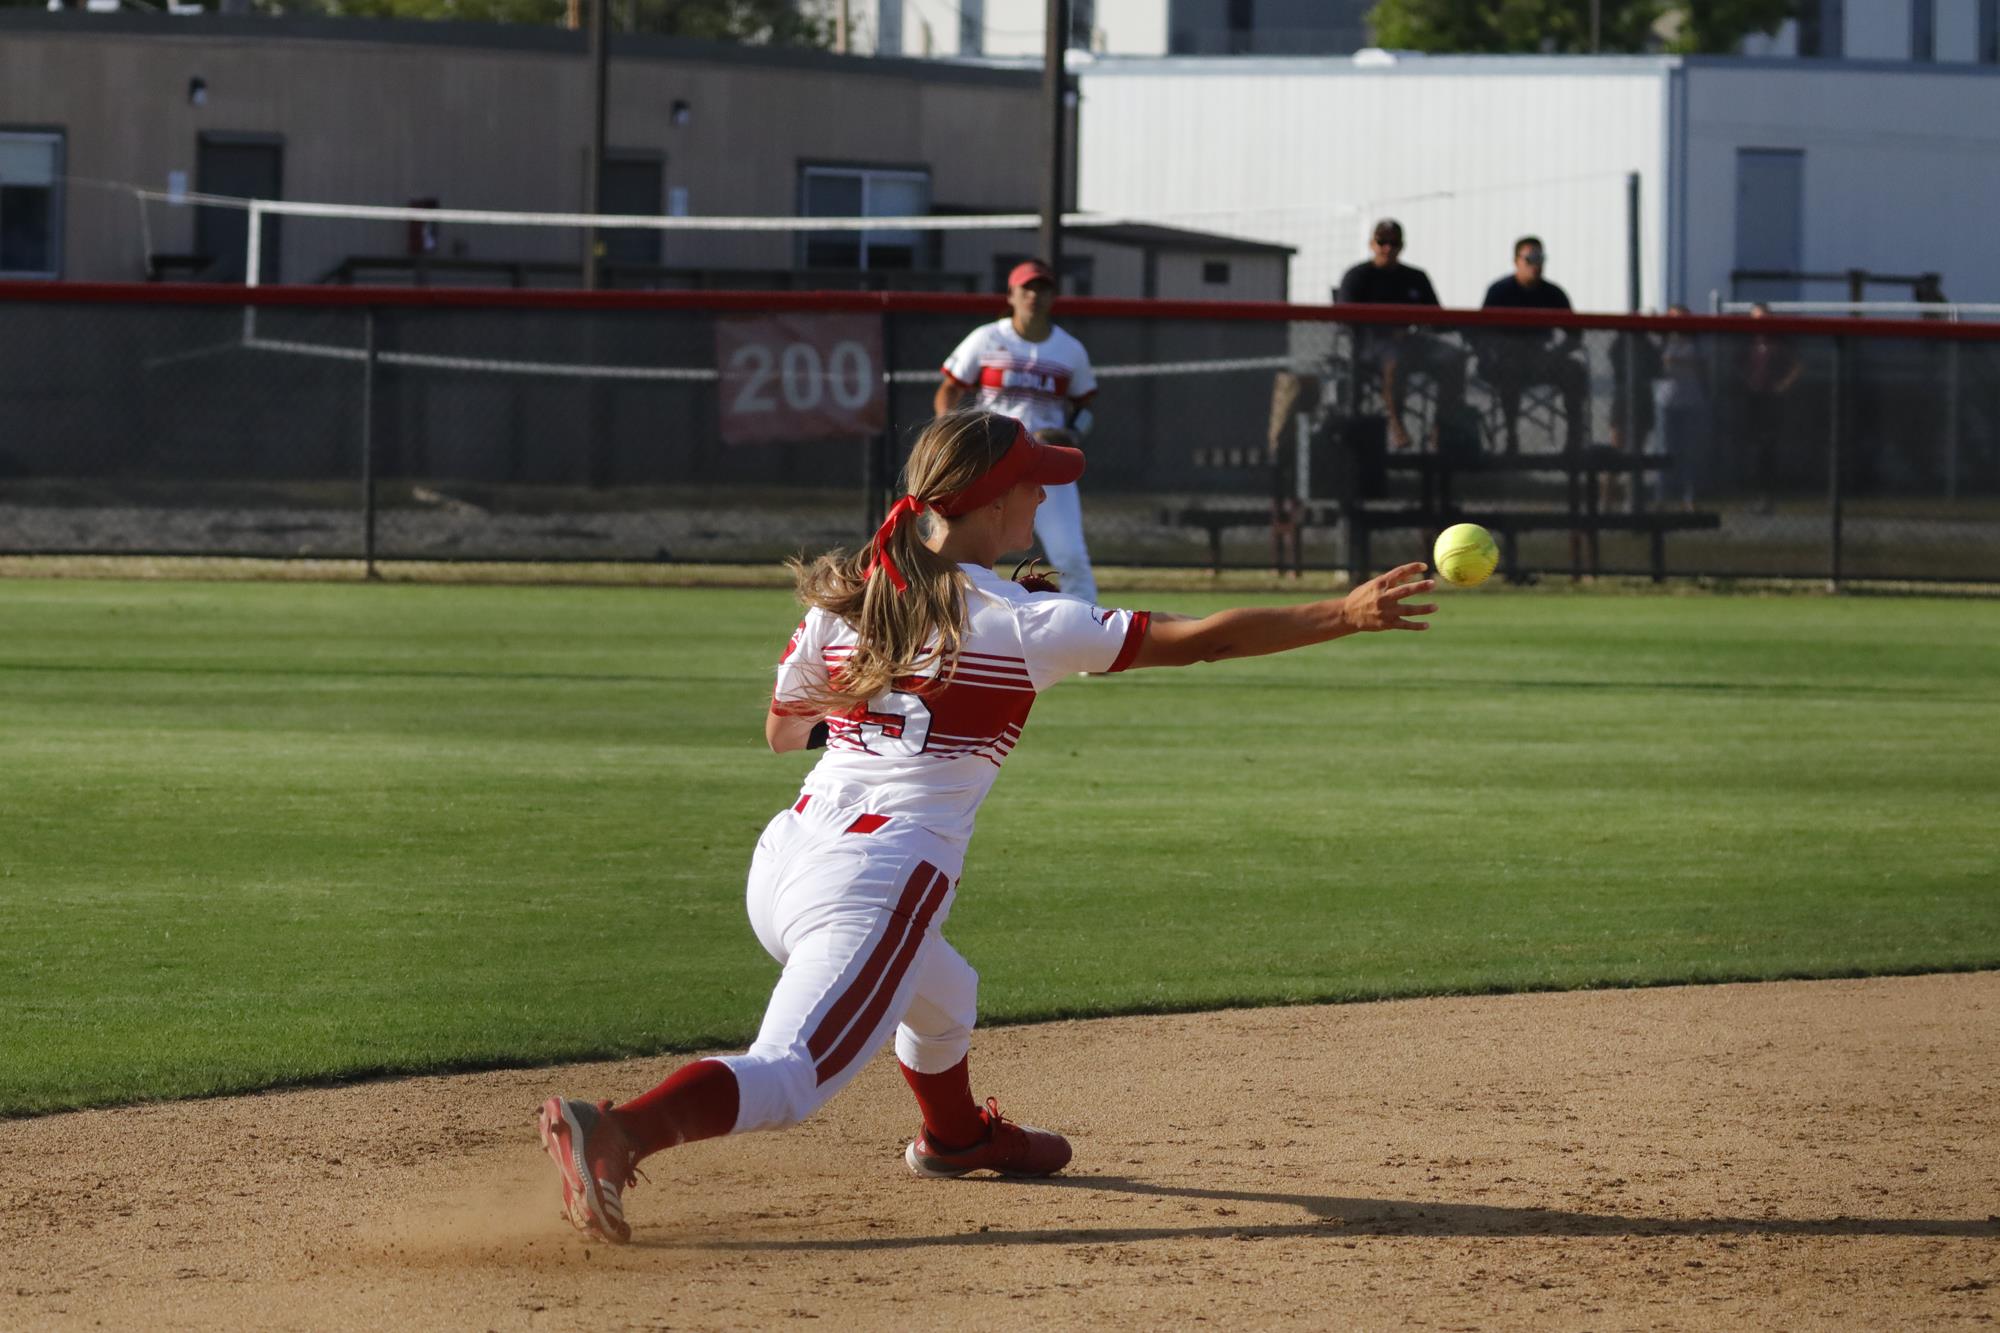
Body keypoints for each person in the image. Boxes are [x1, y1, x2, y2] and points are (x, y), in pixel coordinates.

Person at [536, 409, 1438, 1246]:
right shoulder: (1023, 620)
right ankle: (620, 1131)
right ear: (993, 500)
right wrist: (1346, 612)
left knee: (947, 990)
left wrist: (885, 716)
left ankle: (957, 1137)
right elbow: (1201, 638)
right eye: (1034, 482)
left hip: (786, 859)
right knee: (792, 1074)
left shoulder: (848, 600)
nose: (1045, 495)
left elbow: (782, 732)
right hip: (875, 879)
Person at [934, 260, 1101, 603]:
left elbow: (1086, 408)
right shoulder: (987, 338)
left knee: (1070, 556)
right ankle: (941, 614)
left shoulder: (1069, 350)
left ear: (1054, 296)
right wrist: (951, 437)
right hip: (992, 459)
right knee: (958, 547)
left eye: (1042, 288)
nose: (1034, 295)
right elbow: (949, 390)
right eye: (1026, 288)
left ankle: (1088, 633)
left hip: (1045, 462)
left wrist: (1071, 435)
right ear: (1010, 295)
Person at [1335, 219, 1469, 453]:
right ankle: (1396, 424)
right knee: (1395, 360)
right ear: (1372, 244)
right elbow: (1345, 318)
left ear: (1402, 246)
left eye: (1394, 243)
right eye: (1382, 242)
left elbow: (1436, 317)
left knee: (1454, 357)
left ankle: (1442, 427)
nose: (1388, 248)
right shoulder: (1357, 276)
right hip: (1372, 345)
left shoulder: (1416, 277)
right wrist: (1385, 328)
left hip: (1414, 341)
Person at [1478, 236, 1589, 453]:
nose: (1535, 265)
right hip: (1505, 360)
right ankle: (1511, 436)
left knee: (1574, 370)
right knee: (1509, 372)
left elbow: (1574, 334)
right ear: (1516, 261)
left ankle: (1574, 439)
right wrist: (1494, 353)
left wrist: (1556, 354)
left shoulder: (1554, 294)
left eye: (1540, 259)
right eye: (1530, 259)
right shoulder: (1499, 292)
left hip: (1542, 359)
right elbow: (1481, 332)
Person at [1740, 302, 1803, 514]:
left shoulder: (1780, 342)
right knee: (1752, 448)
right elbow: (1737, 366)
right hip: (1752, 401)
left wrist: (1783, 385)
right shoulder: (1748, 343)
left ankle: (1768, 497)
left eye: (1764, 318)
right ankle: (1751, 495)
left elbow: (1797, 365)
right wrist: (1746, 383)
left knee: (1768, 448)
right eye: (1756, 318)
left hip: (1772, 402)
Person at [1654, 304, 1710, 511]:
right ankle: (1661, 497)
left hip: (1691, 401)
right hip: (1666, 401)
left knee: (1690, 450)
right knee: (1665, 449)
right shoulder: (1662, 341)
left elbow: (1702, 366)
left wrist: (1678, 361)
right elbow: (1660, 364)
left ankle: (1690, 497)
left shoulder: (1696, 342)